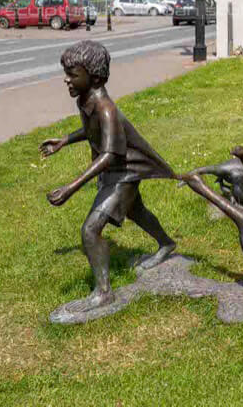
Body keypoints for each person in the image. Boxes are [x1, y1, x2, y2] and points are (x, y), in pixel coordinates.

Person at [40, 40, 176, 310]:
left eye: (72, 74)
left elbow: (111, 153)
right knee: (137, 212)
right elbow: (94, 132)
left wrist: (70, 187)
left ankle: (103, 292)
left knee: (91, 231)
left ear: (95, 77)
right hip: (116, 173)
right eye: (66, 73)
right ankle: (166, 243)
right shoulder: (86, 100)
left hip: (123, 174)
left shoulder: (105, 108)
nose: (66, 80)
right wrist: (65, 140)